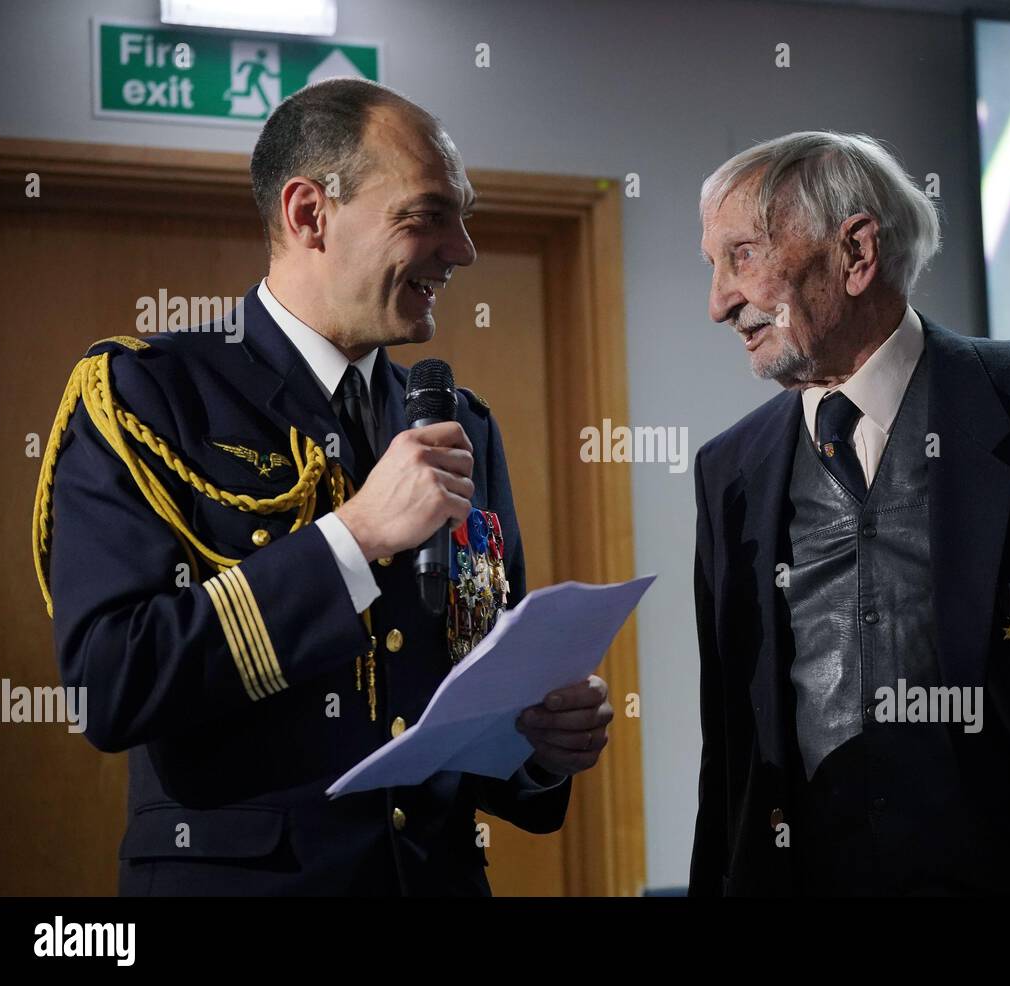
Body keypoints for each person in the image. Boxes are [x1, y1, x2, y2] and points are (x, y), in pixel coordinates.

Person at [33, 79, 612, 895]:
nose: (464, 250)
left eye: (465, 215)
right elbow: (111, 686)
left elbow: (466, 690)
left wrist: (539, 745)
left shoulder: (459, 423)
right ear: (310, 214)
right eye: (428, 216)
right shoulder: (147, 398)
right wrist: (354, 538)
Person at [689, 130, 1010, 896]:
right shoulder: (730, 470)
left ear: (857, 253)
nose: (718, 302)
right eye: (713, 265)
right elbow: (732, 750)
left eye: (741, 255)